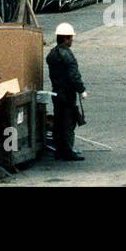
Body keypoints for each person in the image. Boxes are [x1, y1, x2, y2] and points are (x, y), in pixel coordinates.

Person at [46, 22, 87, 161]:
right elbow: (73, 75)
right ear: (66, 38)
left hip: (56, 93)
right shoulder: (68, 55)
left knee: (58, 122)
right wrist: (81, 90)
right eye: (71, 38)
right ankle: (68, 152)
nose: (72, 41)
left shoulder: (52, 54)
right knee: (69, 123)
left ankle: (59, 150)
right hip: (67, 94)